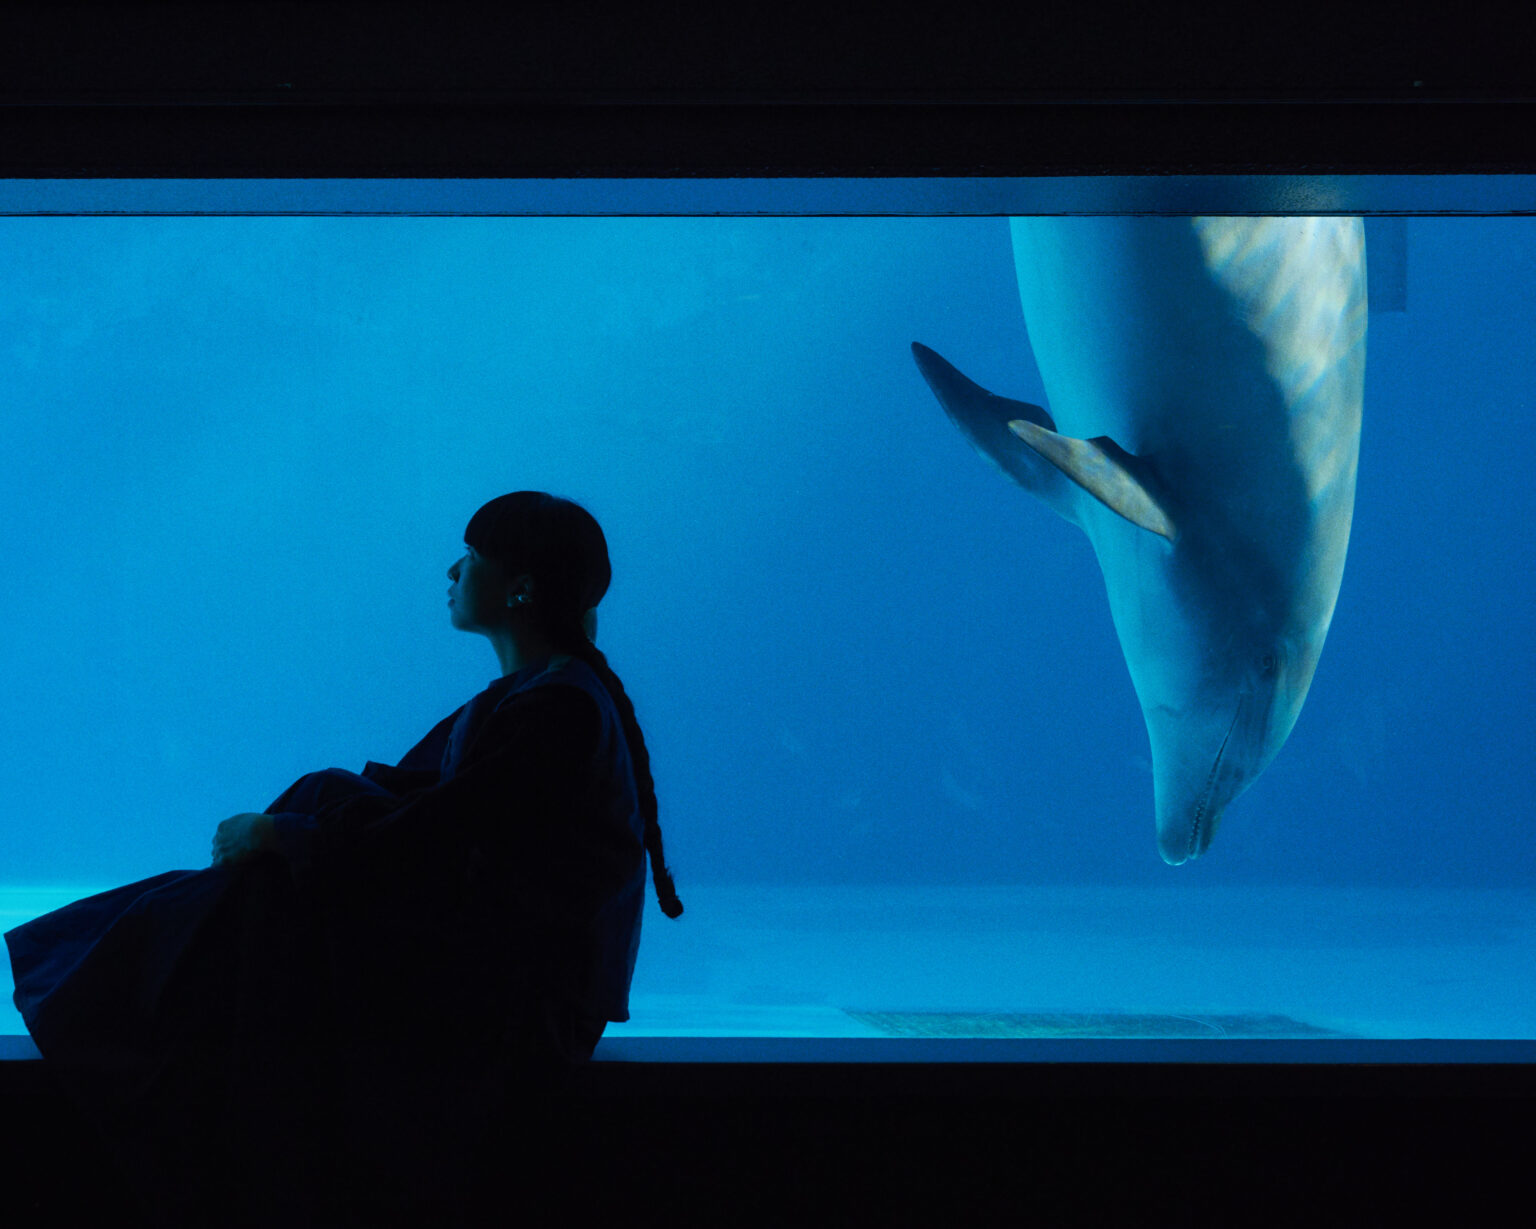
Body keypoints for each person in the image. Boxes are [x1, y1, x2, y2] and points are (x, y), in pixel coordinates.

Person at [5, 491, 682, 1227]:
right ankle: (117, 1004)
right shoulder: (535, 695)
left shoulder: (559, 710)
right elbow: (409, 797)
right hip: (496, 967)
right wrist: (291, 824)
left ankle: (117, 1031)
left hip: (519, 1005)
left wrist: (276, 837)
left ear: (520, 587)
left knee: (267, 890)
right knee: (319, 798)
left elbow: (429, 836)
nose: (453, 569)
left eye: (474, 557)